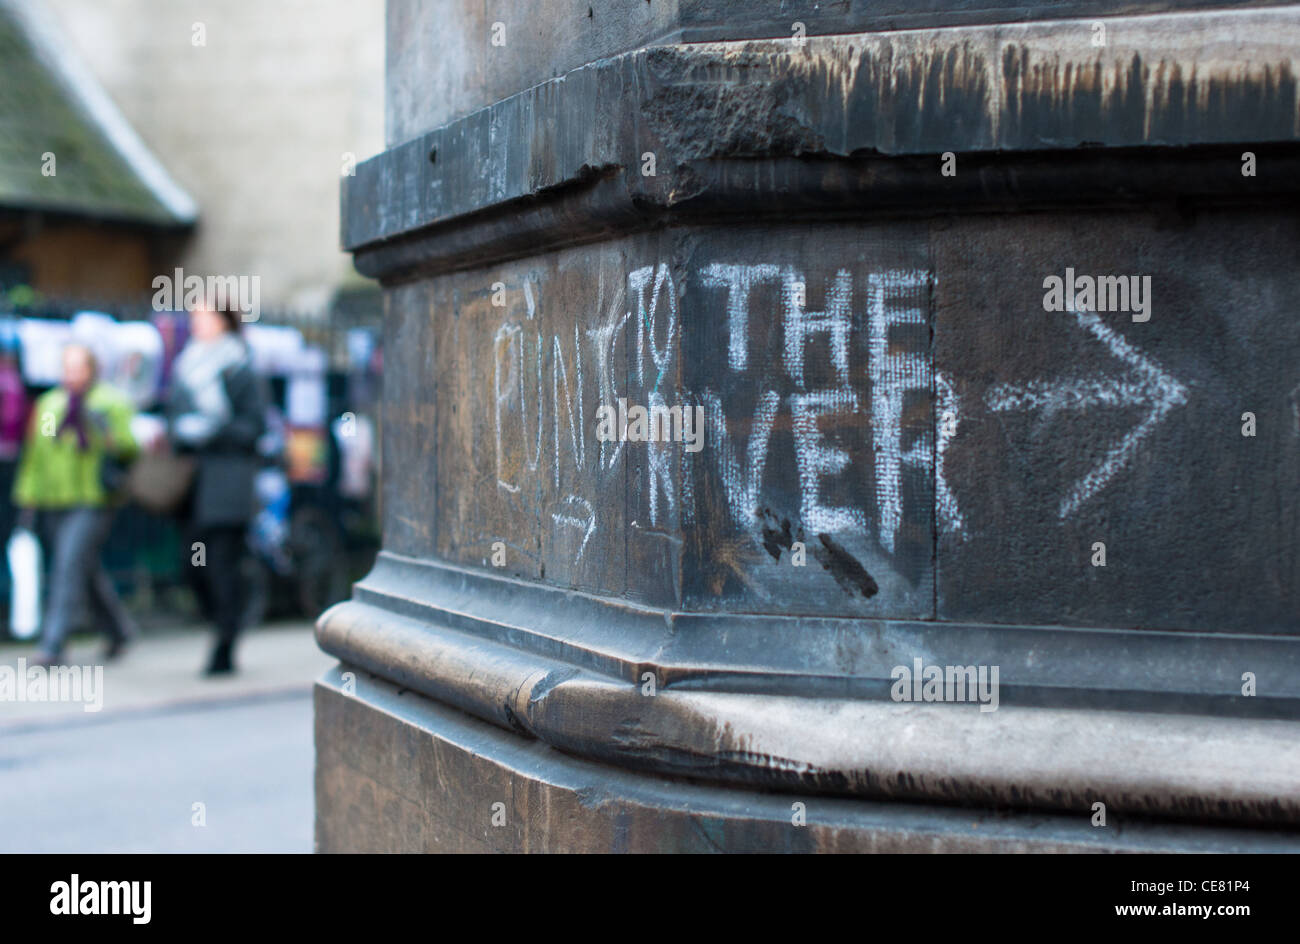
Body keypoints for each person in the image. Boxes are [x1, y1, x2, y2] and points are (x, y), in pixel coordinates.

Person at [12, 343, 139, 665]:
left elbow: (128, 448)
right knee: (83, 568)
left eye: (79, 367)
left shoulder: (109, 402)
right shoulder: (50, 405)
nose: (73, 374)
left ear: (92, 369)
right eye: (67, 367)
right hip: (55, 499)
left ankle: (53, 644)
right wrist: (28, 495)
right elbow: (38, 452)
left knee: (68, 565)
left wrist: (105, 429)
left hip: (93, 499)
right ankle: (118, 631)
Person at [166, 304, 265, 675]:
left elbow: (254, 427)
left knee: (222, 566)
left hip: (227, 486)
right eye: (195, 317)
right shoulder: (185, 366)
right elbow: (172, 417)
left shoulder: (242, 368)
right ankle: (222, 620)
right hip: (192, 487)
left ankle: (225, 643)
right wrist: (182, 429)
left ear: (224, 322)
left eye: (205, 316)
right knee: (193, 565)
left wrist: (211, 430)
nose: (197, 323)